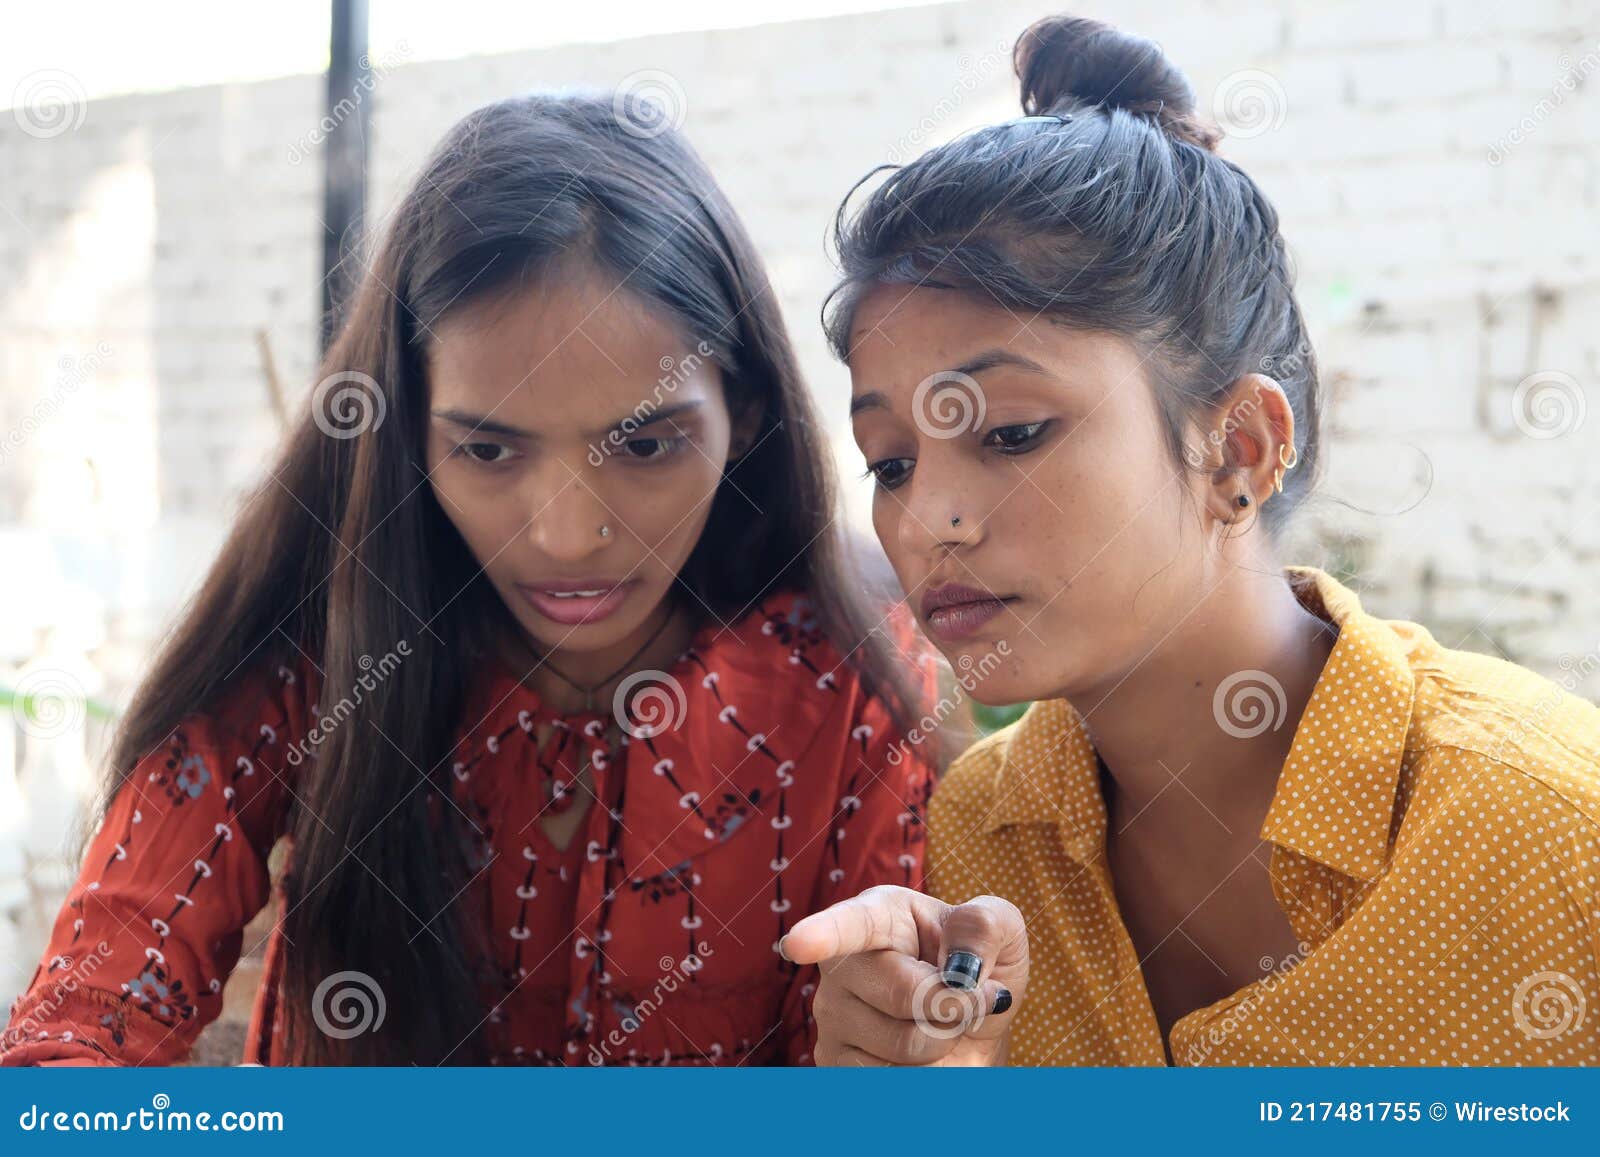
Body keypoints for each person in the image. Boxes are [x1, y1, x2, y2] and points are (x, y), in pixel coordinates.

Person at [2, 91, 936, 1067]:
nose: (570, 535)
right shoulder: (312, 658)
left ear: (743, 417)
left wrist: (893, 1045)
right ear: (407, 428)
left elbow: (867, 1075)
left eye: (649, 444)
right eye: (490, 450)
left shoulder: (849, 698)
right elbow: (79, 1032)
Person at [782, 13, 1600, 1066]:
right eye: (890, 461)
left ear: (1238, 450)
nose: (926, 517)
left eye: (1012, 432)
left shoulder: (1549, 830)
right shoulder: (978, 834)